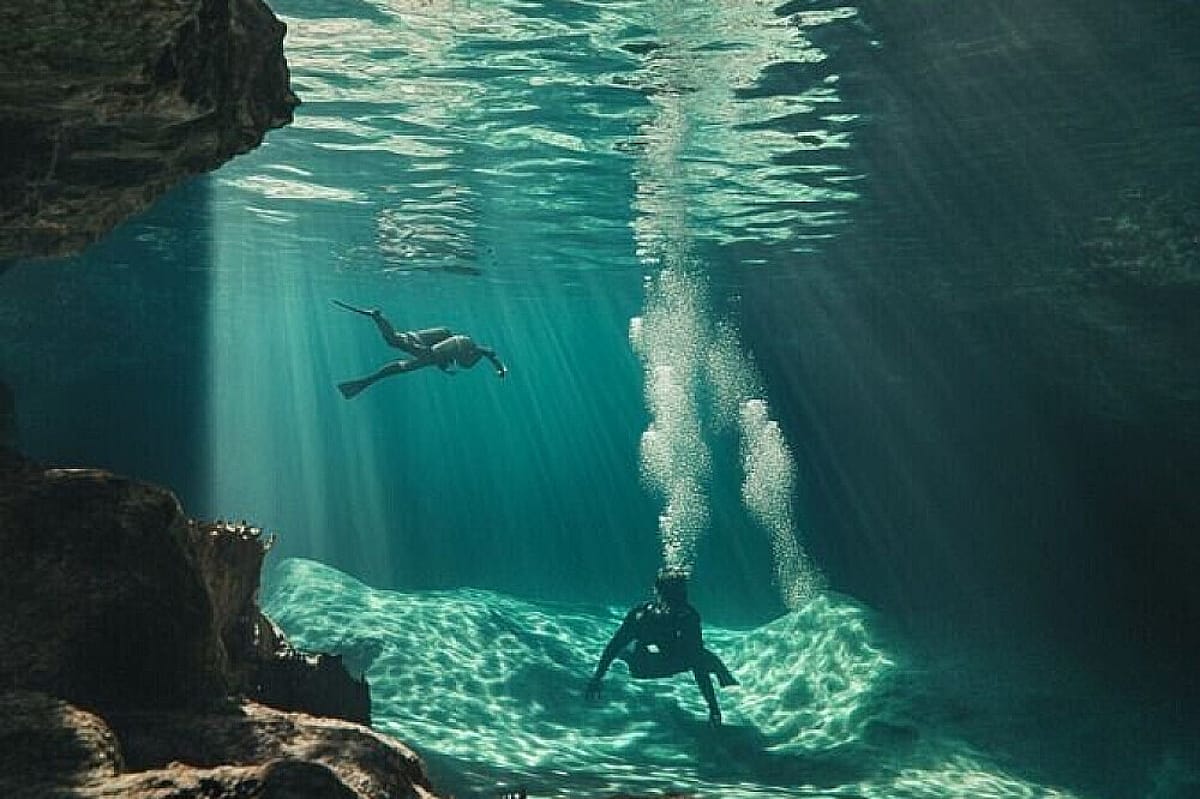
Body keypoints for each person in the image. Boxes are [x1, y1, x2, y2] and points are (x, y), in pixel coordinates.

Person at [585, 567, 737, 726]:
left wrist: (713, 707)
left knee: (706, 657)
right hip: (642, 666)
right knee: (626, 650)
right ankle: (725, 681)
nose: (676, 603)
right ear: (657, 593)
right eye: (672, 597)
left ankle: (729, 684)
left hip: (665, 660)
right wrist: (597, 679)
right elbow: (614, 647)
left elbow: (697, 661)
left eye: (679, 597)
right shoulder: (641, 616)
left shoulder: (687, 617)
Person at [333, 300, 507, 399]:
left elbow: (484, 352)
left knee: (397, 346)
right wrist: (499, 367)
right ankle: (378, 318)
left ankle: (378, 317)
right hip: (445, 345)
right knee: (411, 356)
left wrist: (498, 366)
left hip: (439, 342)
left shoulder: (460, 355)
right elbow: (487, 351)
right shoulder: (468, 355)